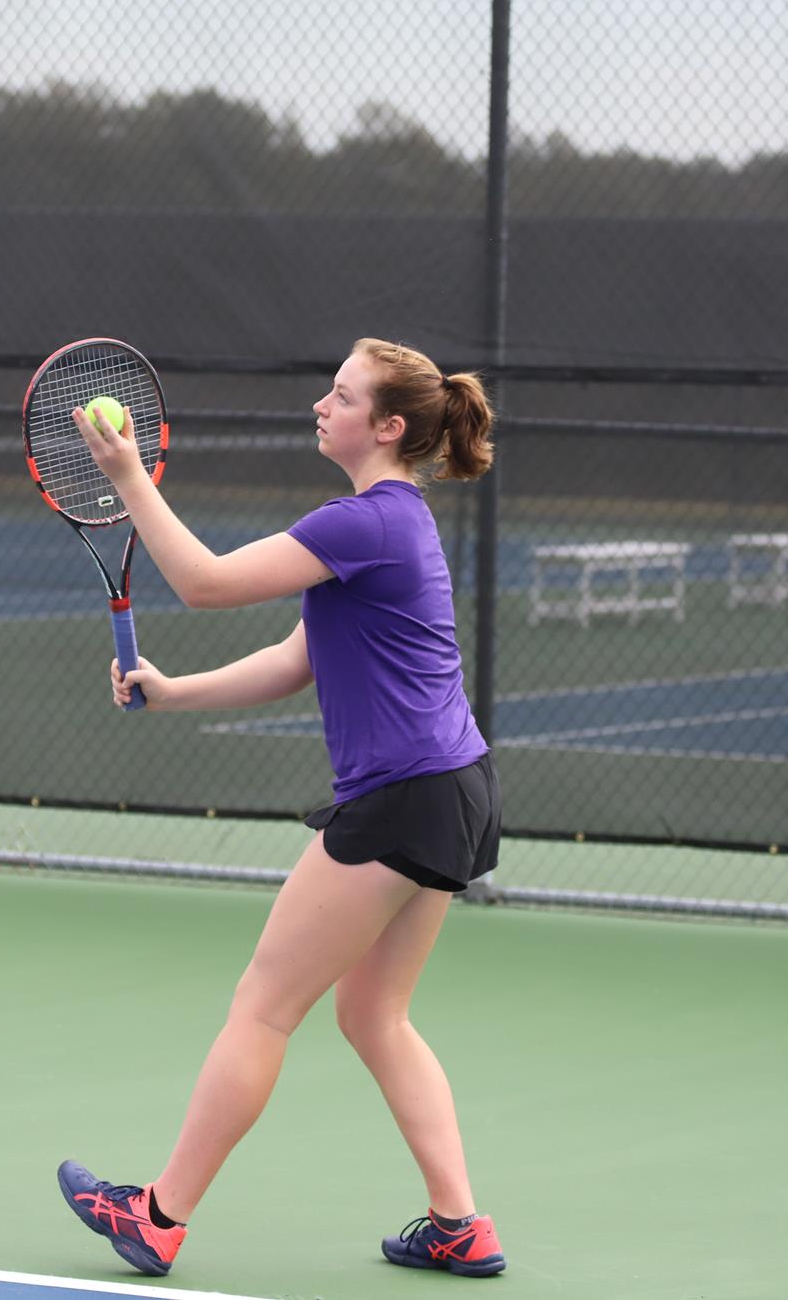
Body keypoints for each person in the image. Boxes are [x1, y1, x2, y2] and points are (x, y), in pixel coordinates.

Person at [55, 337, 507, 1281]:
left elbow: (205, 583)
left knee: (262, 1007)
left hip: (401, 797)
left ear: (385, 427)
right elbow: (304, 658)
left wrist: (129, 473)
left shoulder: (367, 522)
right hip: (455, 791)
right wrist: (175, 691)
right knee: (375, 1013)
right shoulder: (389, 523)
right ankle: (460, 1222)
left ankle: (159, 1215)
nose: (320, 405)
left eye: (340, 396)